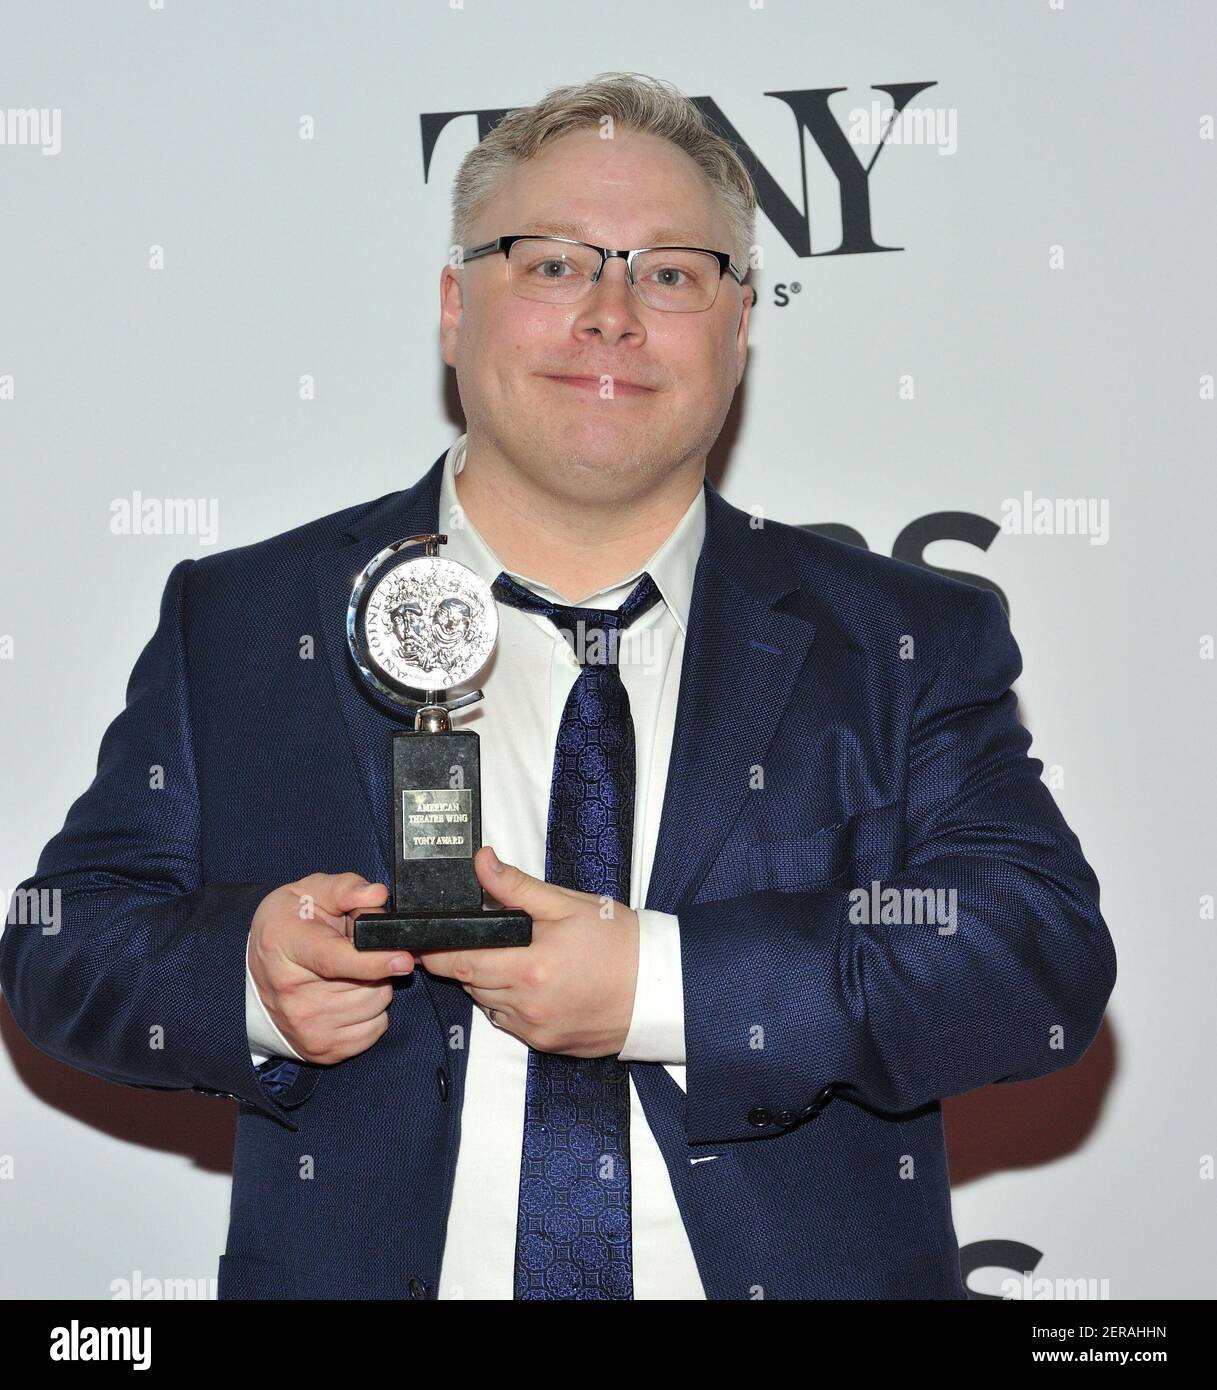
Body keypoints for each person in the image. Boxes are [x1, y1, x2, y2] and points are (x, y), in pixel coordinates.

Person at [0, 72, 1116, 1301]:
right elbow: (66, 942)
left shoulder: (902, 637)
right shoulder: (251, 619)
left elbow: (1035, 959)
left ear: (739, 327)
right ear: (451, 307)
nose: (610, 315)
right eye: (550, 264)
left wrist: (661, 982)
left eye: (670, 271)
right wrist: (247, 977)